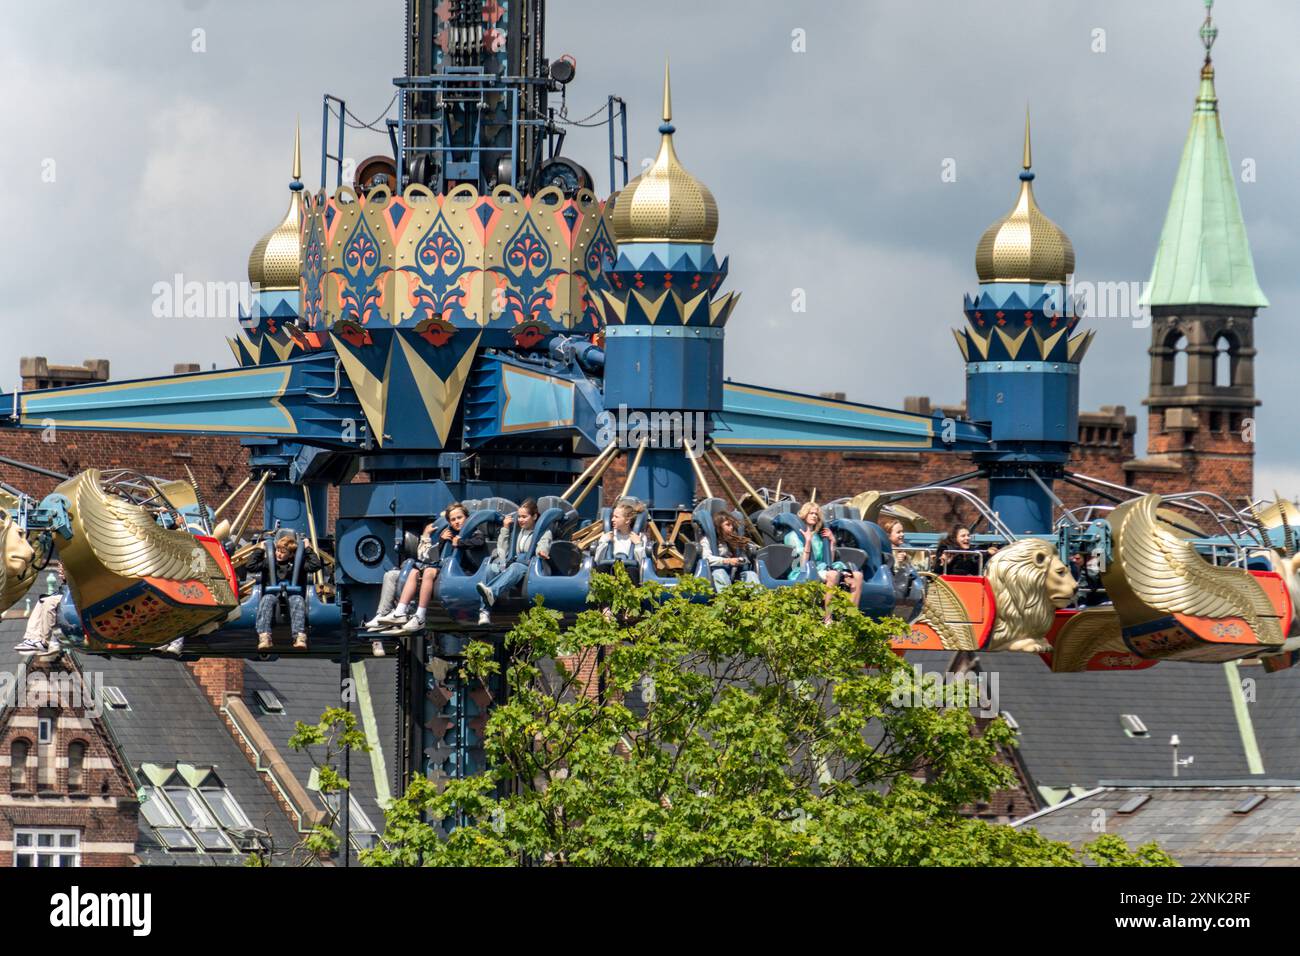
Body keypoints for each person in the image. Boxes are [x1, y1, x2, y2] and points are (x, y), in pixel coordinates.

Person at [784, 502, 863, 623]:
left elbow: (829, 561)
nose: (814, 516)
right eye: (811, 513)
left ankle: (851, 617)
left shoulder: (818, 536)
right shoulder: (793, 536)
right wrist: (808, 541)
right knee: (833, 575)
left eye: (816, 514)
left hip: (822, 568)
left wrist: (832, 542)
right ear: (804, 514)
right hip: (803, 570)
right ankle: (827, 618)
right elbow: (802, 563)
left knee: (857, 576)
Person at [476, 499, 551, 626]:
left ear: (534, 516)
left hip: (531, 567)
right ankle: (484, 613)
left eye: (524, 517)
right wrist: (505, 529)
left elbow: (543, 545)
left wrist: (541, 552)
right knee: (491, 568)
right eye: (519, 517)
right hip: (514, 564)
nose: (520, 520)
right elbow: (502, 550)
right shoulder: (518, 531)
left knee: (516, 567)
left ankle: (492, 592)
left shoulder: (544, 532)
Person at [247, 532, 323, 651]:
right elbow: (251, 566)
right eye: (277, 550)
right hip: (273, 593)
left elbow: (316, 565)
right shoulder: (270, 563)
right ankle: (264, 636)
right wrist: (260, 549)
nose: (278, 554)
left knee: (297, 601)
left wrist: (308, 548)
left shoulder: (299, 565)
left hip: (293, 594)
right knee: (266, 600)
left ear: (291, 554)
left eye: (283, 552)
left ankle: (299, 636)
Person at [700, 509, 758, 592]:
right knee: (720, 573)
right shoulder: (707, 540)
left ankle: (758, 599)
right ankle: (727, 600)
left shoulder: (733, 540)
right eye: (728, 525)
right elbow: (706, 558)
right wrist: (727, 561)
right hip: (714, 575)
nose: (731, 528)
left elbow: (745, 558)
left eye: (732, 525)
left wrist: (742, 560)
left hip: (735, 574)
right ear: (718, 526)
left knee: (751, 574)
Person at [14, 564, 65, 656]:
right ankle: (32, 638)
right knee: (42, 600)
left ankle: (46, 642)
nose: (59, 568)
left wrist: (67, 575)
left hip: (74, 596)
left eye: (61, 565)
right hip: (66, 593)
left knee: (50, 602)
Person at [594, 502, 646, 580]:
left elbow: (643, 564)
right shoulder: (607, 535)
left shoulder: (640, 537)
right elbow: (597, 560)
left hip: (630, 571)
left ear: (627, 520)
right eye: (612, 516)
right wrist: (604, 542)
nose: (612, 519)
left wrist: (638, 544)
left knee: (631, 571)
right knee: (602, 569)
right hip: (610, 569)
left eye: (616, 517)